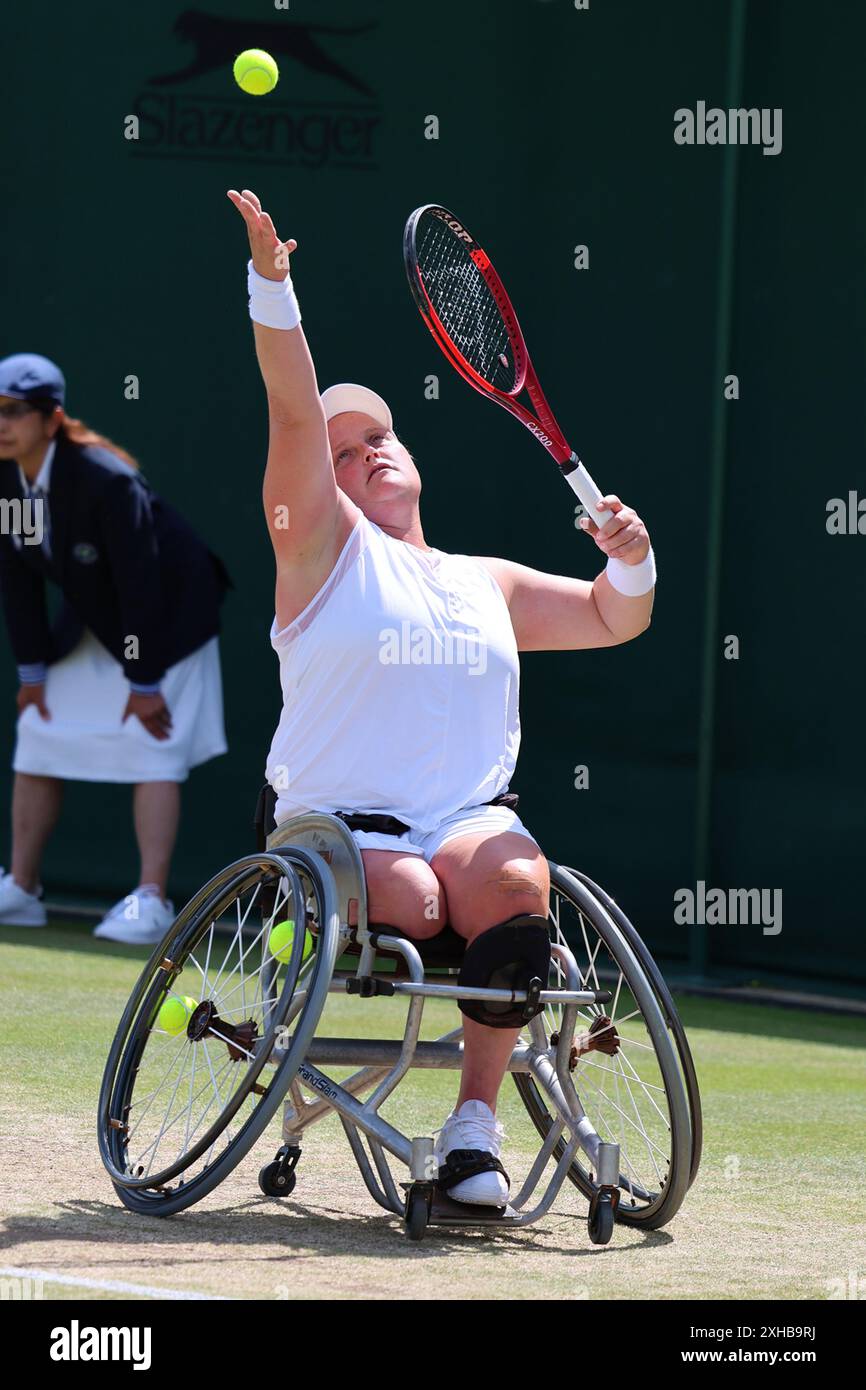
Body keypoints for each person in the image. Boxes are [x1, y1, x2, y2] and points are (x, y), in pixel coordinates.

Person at [228, 187, 656, 1206]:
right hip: (338, 835)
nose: (364, 446)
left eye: (379, 434)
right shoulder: (319, 551)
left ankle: (473, 1129)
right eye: (342, 450)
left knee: (512, 881)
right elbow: (295, 405)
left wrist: (631, 561)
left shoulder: (484, 580)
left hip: (462, 820)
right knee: (417, 900)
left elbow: (609, 617)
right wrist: (270, 286)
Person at [0, 354, 232, 944]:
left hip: (167, 619)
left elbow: (141, 584)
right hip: (97, 620)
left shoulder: (105, 480)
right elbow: (19, 579)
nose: (1, 424)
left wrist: (144, 682)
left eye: (13, 412)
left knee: (149, 742)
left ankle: (151, 898)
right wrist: (31, 671)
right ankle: (22, 889)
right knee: (40, 730)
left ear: (50, 420)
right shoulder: (11, 483)